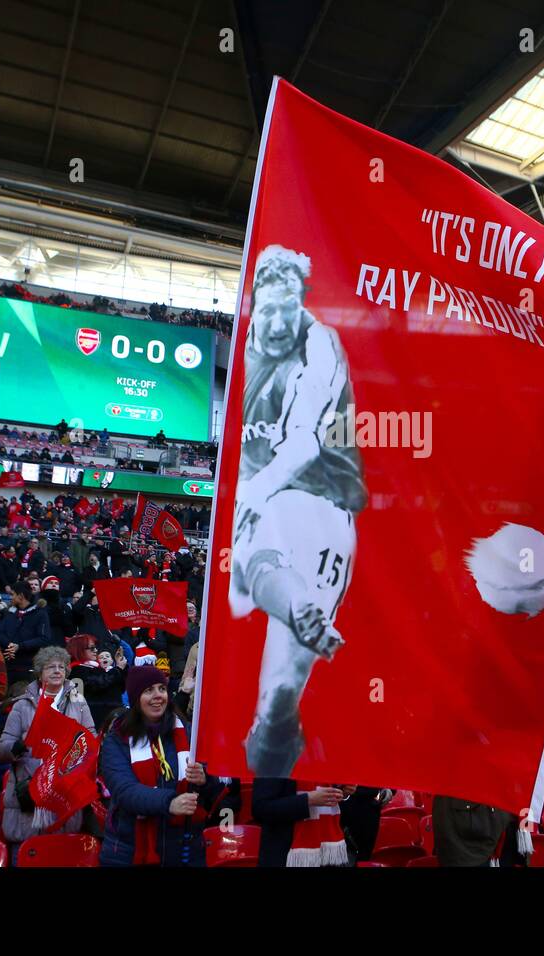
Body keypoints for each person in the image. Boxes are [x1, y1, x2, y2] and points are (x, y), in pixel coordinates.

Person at [230, 244, 368, 777]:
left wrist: (249, 494)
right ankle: (295, 615)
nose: (279, 319)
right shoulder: (251, 344)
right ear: (255, 304)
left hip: (313, 503)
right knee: (278, 697)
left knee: (254, 551)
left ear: (301, 302)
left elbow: (304, 444)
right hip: (321, 534)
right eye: (267, 308)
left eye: (289, 307)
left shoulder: (319, 345)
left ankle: (287, 603)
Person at [98, 664, 223, 866]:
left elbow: (213, 791)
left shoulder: (187, 731)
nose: (158, 696)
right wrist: (170, 802)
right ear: (135, 698)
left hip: (184, 848)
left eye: (162, 689)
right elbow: (125, 791)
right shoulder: (116, 739)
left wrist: (205, 778)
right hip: (128, 851)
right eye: (149, 690)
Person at [0, 646, 95, 844]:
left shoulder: (79, 702)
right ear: (40, 673)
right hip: (28, 794)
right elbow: (1, 747)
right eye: (50, 667)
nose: (57, 671)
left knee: (60, 852)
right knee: (27, 854)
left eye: (61, 666)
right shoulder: (22, 705)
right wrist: (16, 747)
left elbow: (90, 740)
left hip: (64, 791)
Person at [0, 581, 53, 685]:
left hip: (29, 667)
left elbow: (44, 638)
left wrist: (21, 646)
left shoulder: (40, 614)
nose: (10, 598)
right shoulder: (7, 612)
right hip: (7, 666)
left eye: (12, 594)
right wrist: (10, 645)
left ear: (21, 596)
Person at [67, 633, 126, 729]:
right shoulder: (76, 670)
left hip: (111, 716)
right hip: (95, 720)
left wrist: (120, 666)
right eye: (91, 648)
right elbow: (98, 684)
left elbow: (120, 688)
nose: (96, 650)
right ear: (79, 650)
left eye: (95, 647)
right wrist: (118, 669)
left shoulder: (96, 667)